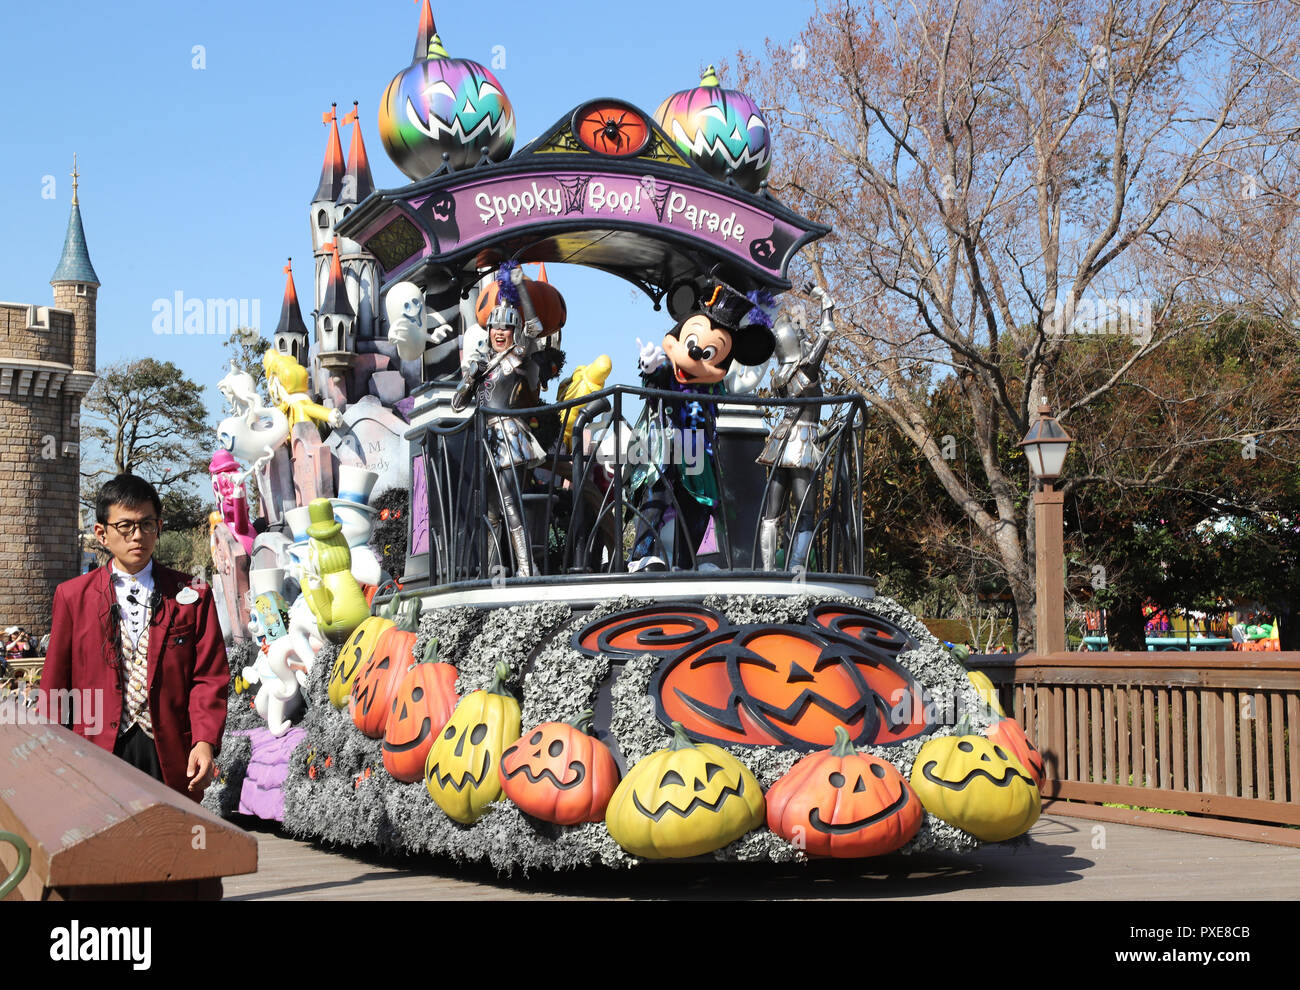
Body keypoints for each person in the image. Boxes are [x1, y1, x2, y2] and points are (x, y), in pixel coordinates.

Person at [40, 474, 229, 801]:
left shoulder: (192, 593)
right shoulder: (73, 596)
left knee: (169, 845)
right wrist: (54, 755)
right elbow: (57, 684)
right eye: (125, 526)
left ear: (159, 525)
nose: (137, 536)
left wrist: (204, 741)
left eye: (147, 524)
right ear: (102, 533)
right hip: (95, 752)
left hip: (170, 754)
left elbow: (209, 676)